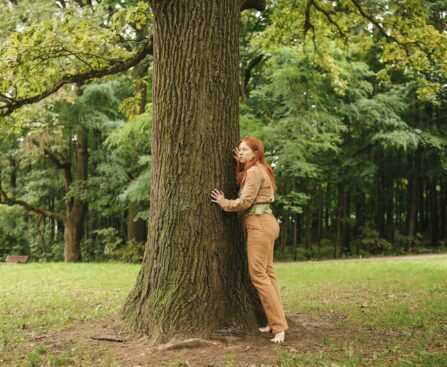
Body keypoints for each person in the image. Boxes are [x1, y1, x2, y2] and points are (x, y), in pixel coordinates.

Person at [210, 137, 288, 344]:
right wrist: (239, 163)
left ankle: (279, 327)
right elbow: (247, 187)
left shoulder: (254, 171)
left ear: (255, 153)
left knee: (259, 276)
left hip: (260, 225)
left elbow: (245, 201)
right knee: (268, 275)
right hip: (267, 222)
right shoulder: (260, 169)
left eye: (245, 150)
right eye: (240, 150)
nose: (241, 152)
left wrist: (223, 202)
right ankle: (276, 323)